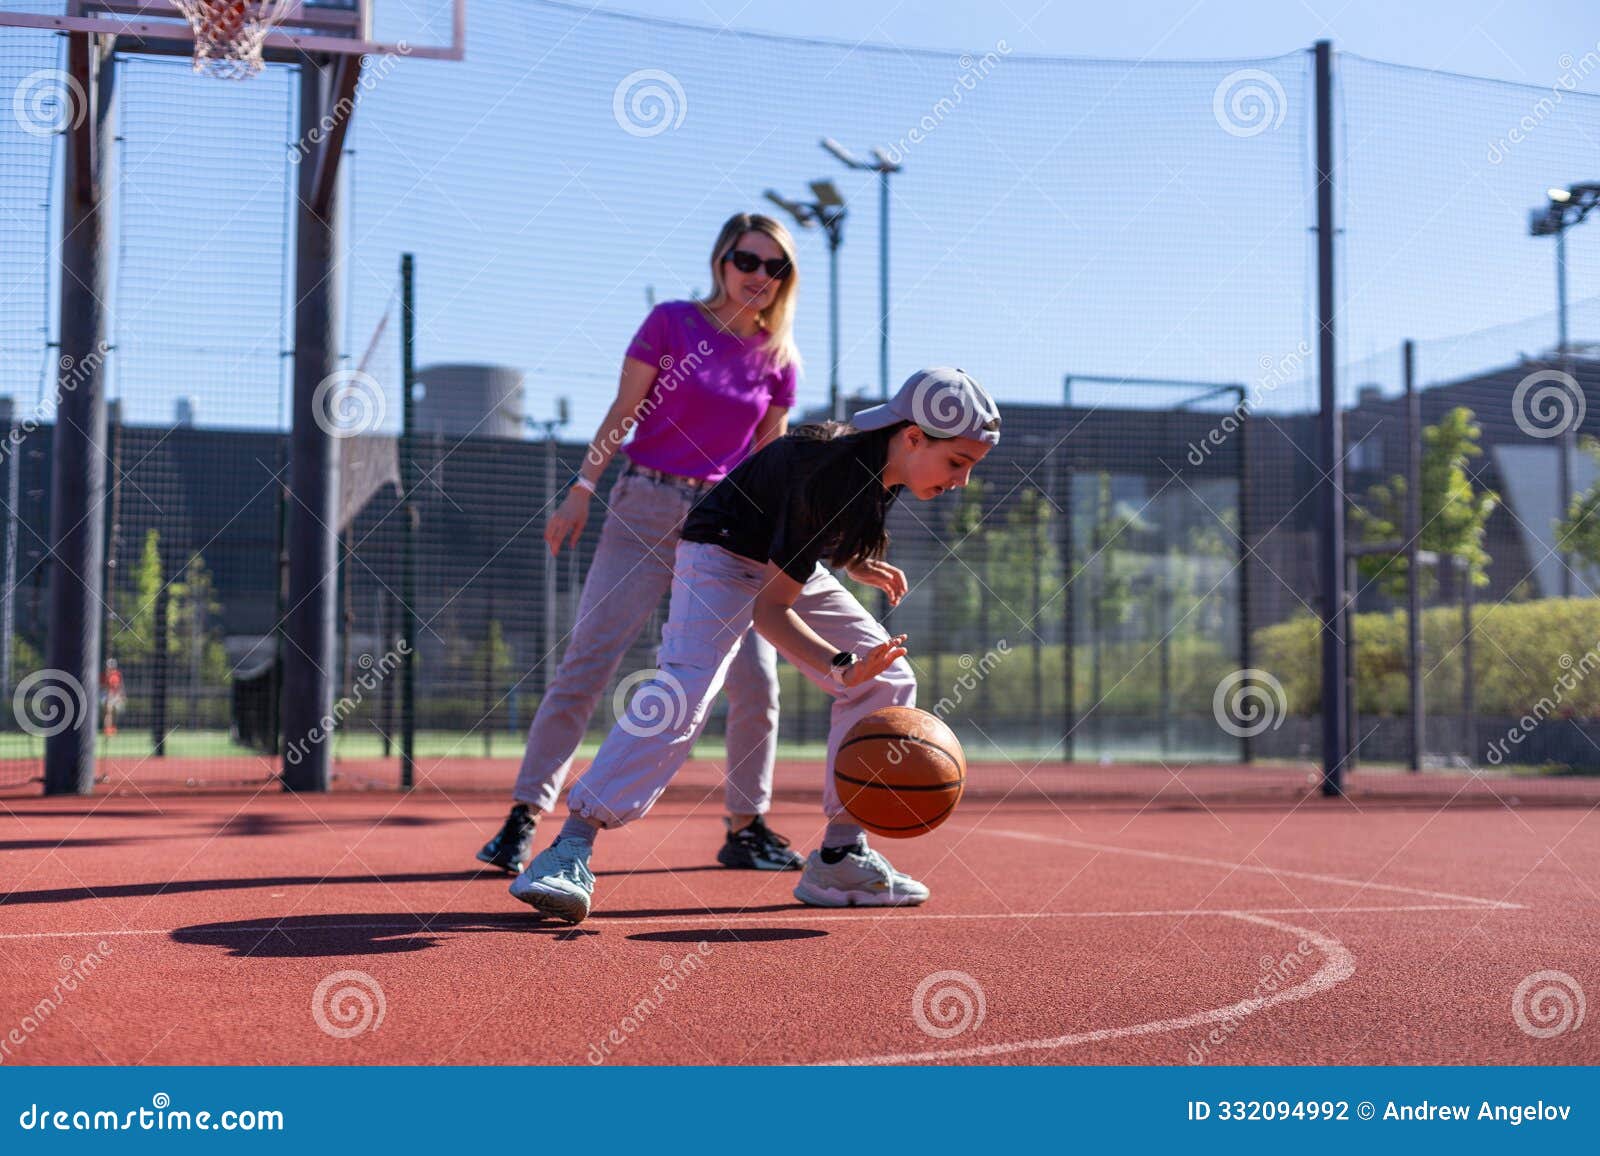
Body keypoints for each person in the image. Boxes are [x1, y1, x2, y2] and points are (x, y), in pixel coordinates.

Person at [509, 368, 1001, 924]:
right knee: (686, 692)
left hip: (777, 563)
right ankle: (568, 848)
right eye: (957, 463)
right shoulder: (831, 472)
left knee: (890, 678)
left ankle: (838, 858)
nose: (960, 480)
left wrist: (858, 563)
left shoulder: (881, 468)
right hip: (717, 554)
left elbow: (807, 542)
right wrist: (840, 666)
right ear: (913, 437)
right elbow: (771, 612)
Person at [477, 213, 806, 876]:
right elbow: (624, 411)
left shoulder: (779, 359)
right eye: (749, 261)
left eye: (777, 268)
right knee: (589, 660)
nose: (760, 278)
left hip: (726, 523)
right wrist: (582, 486)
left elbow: (768, 460)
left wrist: (778, 539)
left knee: (755, 681)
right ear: (722, 261)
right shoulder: (672, 323)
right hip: (644, 506)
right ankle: (522, 818)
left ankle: (746, 826)